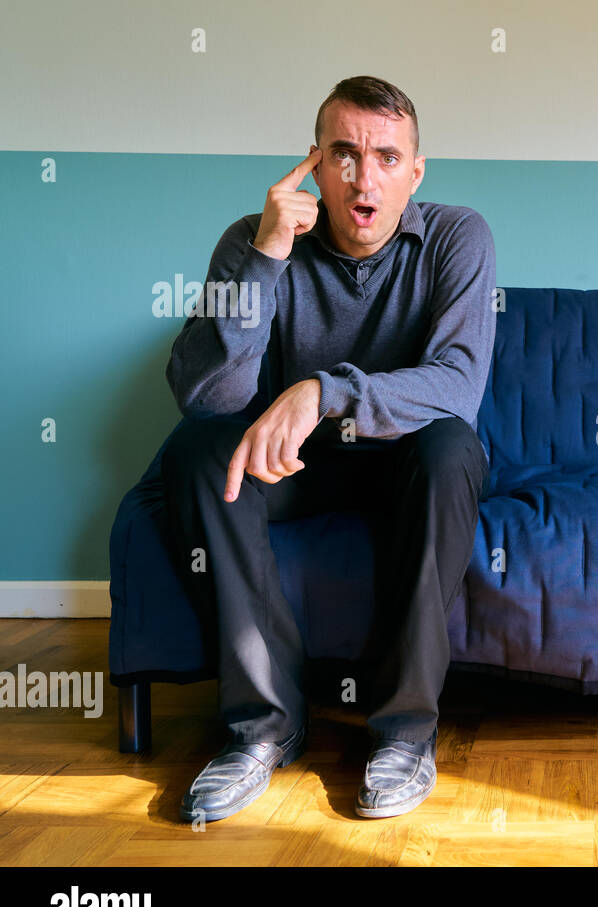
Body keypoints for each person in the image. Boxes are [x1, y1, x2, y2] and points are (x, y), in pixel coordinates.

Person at [161, 76, 496, 822]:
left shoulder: (457, 237)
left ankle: (404, 734)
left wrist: (324, 391)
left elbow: (457, 386)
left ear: (415, 172)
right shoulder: (253, 241)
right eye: (343, 155)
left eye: (385, 156)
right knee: (196, 452)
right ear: (315, 166)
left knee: (451, 453)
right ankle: (263, 731)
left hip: (405, 459)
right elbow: (204, 396)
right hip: (299, 467)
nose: (363, 177)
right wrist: (267, 257)